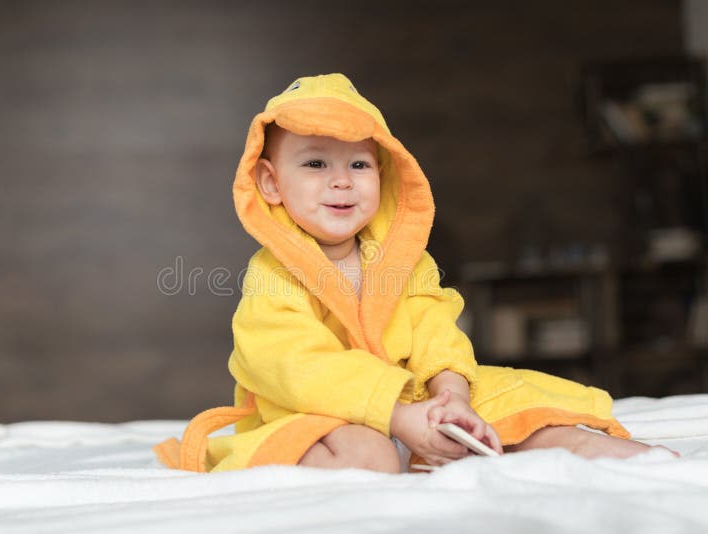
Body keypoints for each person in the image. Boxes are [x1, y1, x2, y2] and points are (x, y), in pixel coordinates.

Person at [154, 73, 664, 474]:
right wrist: (396, 417)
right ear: (270, 182)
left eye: (359, 165)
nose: (340, 182)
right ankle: (395, 451)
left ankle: (596, 455)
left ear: (385, 173)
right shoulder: (272, 275)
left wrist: (451, 397)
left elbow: (433, 327)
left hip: (418, 399)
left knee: (511, 414)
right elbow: (293, 365)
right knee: (367, 456)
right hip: (320, 412)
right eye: (314, 164)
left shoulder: (404, 260)